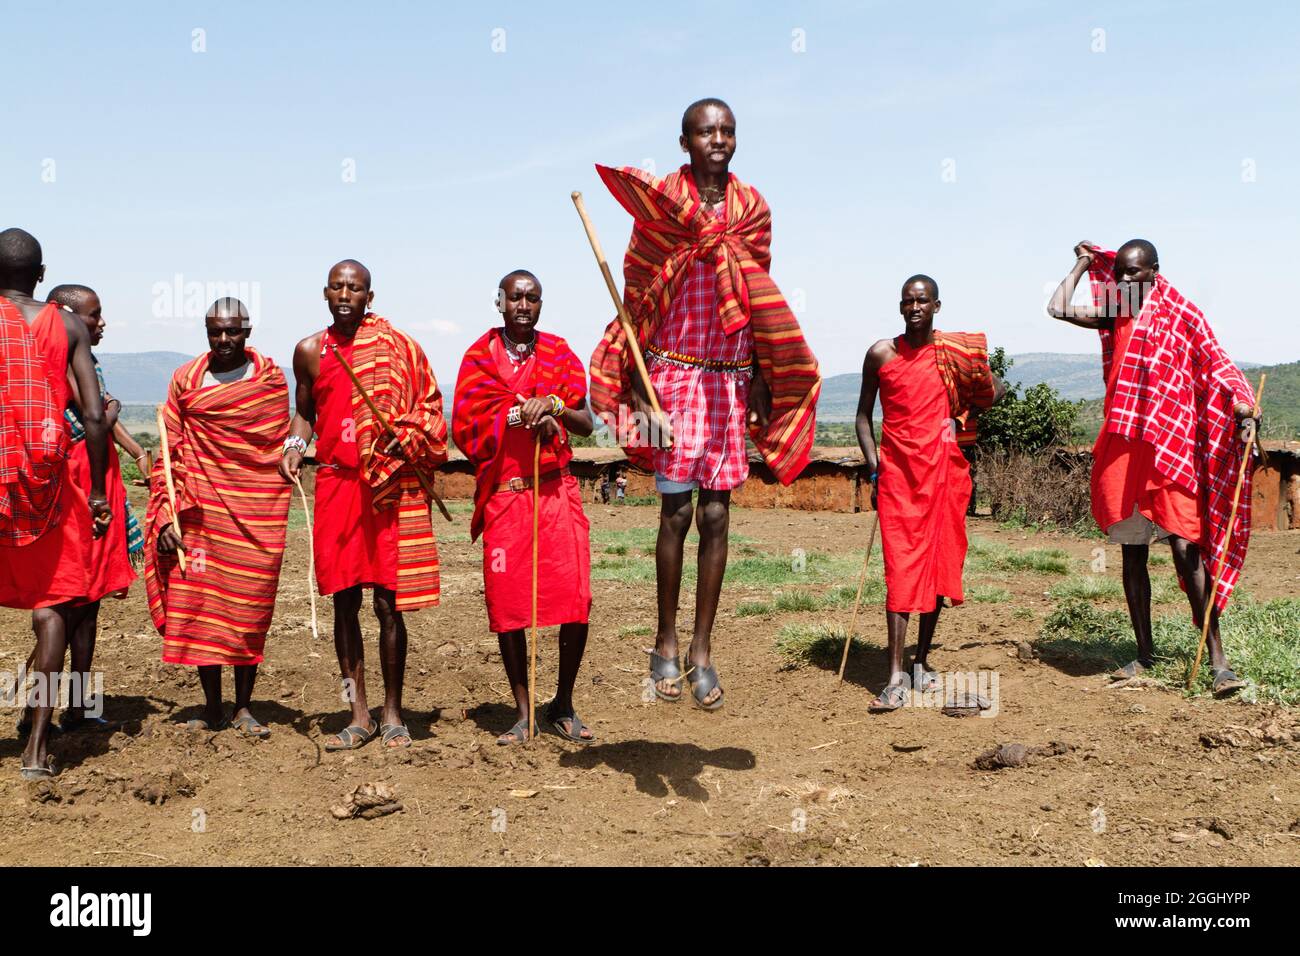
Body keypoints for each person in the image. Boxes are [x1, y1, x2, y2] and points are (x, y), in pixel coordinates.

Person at [589, 98, 821, 709]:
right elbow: (640, 293)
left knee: (717, 515)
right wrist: (638, 387)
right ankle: (662, 641)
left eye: (727, 130)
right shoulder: (662, 206)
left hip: (729, 379)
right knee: (675, 515)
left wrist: (765, 383)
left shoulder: (753, 211)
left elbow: (760, 297)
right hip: (672, 376)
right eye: (705, 131)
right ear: (684, 140)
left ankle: (701, 650)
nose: (717, 139)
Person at [1048, 240, 1258, 696]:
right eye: (1119, 272)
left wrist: (1243, 408)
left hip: (1171, 444)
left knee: (1187, 548)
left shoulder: (1181, 312)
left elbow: (1218, 363)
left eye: (1134, 272)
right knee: (1132, 550)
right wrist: (1086, 261)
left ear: (1155, 271)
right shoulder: (1118, 310)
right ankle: (1145, 653)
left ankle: (1218, 659)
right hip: (1125, 444)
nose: (1124, 280)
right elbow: (1058, 306)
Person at [280, 259, 448, 750]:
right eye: (337, 287)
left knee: (388, 603)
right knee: (344, 602)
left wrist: (409, 436)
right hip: (337, 486)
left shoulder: (399, 348)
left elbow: (432, 408)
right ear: (325, 293)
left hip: (388, 486)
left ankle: (393, 712)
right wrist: (293, 447)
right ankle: (358, 713)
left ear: (369, 297)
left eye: (355, 288)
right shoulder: (309, 351)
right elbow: (304, 414)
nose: (346, 295)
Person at [452, 270, 596, 744]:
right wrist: (515, 412)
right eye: (515, 297)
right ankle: (522, 711)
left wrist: (552, 404)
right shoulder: (478, 358)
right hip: (506, 495)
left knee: (575, 598)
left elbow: (586, 422)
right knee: (509, 601)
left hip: (556, 491)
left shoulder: (557, 352)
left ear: (540, 305)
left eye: (532, 298)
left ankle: (563, 703)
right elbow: (465, 426)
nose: (523, 305)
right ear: (499, 302)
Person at [855, 275, 1003, 712]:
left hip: (943, 474)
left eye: (922, 301)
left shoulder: (952, 355)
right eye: (907, 301)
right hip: (898, 478)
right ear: (900, 307)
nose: (914, 307)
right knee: (901, 569)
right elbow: (863, 416)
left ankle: (921, 662)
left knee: (938, 566)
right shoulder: (881, 353)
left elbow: (987, 395)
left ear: (936, 306)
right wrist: (873, 465)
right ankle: (895, 676)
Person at [144, 298, 291, 735]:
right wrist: (167, 514)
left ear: (248, 330)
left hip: (255, 510)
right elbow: (169, 455)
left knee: (249, 605)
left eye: (232, 331)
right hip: (198, 510)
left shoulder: (269, 380)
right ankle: (212, 706)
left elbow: (271, 449)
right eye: (215, 332)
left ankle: (244, 706)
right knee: (200, 603)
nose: (224, 340)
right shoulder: (186, 381)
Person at [0, 228, 111, 779]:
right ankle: (38, 749)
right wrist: (94, 490)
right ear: (41, 276)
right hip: (46, 486)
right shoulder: (64, 323)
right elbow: (92, 415)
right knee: (52, 613)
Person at [42, 284, 139, 732]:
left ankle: (76, 708)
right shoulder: (61, 360)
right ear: (68, 316)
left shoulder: (77, 358)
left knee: (88, 601)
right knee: (71, 604)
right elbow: (92, 414)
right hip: (82, 485)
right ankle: (39, 709)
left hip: (91, 479)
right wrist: (111, 409)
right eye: (94, 315)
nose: (101, 323)